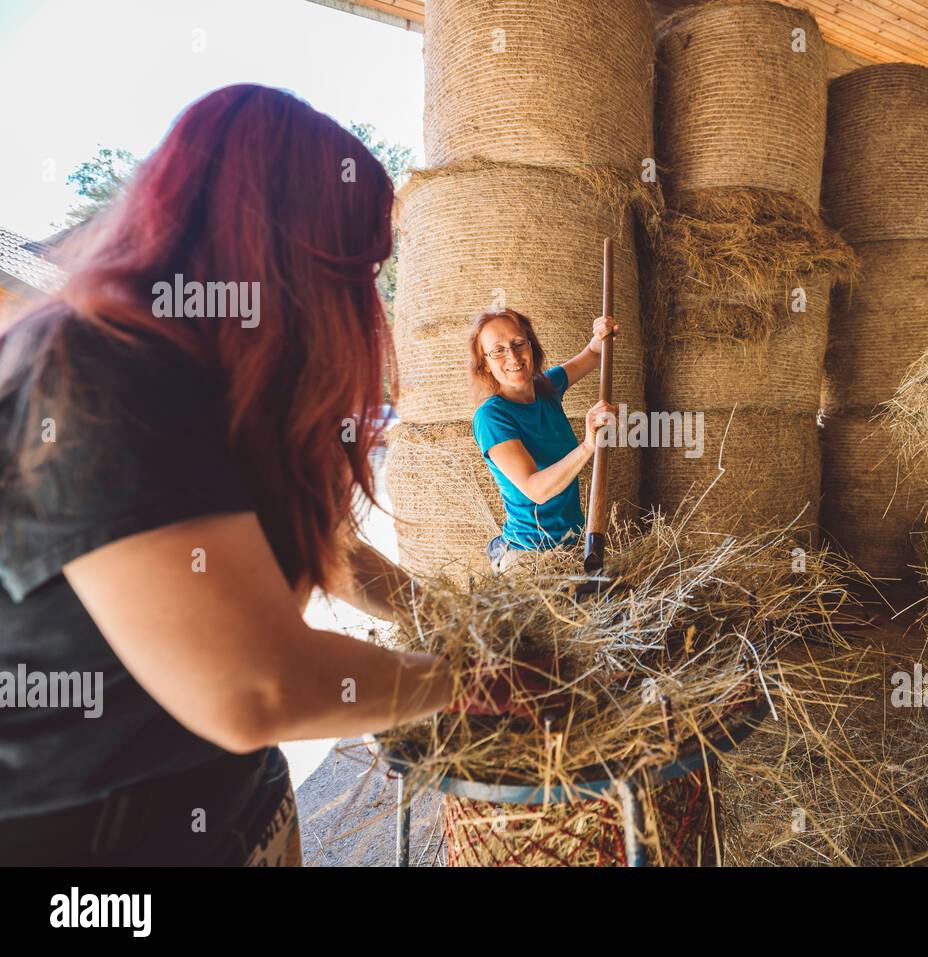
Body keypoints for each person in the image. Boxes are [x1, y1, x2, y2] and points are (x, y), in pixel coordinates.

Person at [0, 85, 539, 866]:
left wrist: (455, 618)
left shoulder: (211, 372)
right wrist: (457, 676)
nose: (363, 301)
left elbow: (333, 549)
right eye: (355, 268)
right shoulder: (95, 372)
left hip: (237, 812)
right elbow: (256, 688)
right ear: (279, 251)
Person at [467, 309, 617, 573]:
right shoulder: (491, 417)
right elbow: (536, 490)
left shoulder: (547, 387)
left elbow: (593, 354)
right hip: (531, 556)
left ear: (531, 345)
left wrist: (600, 335)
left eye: (518, 343)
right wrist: (588, 446)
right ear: (485, 364)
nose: (512, 356)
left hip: (572, 544)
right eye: (498, 350)